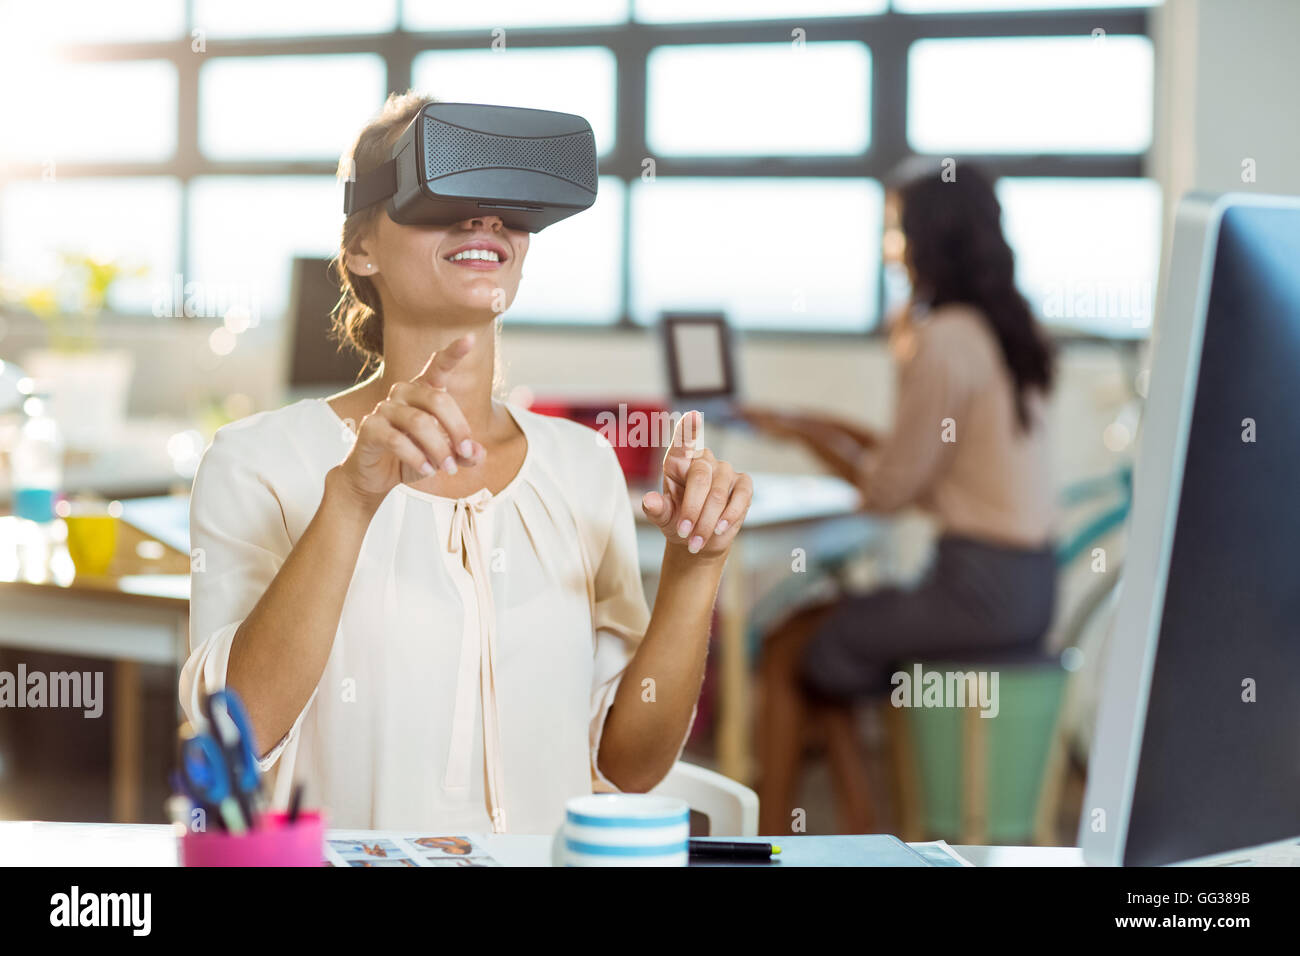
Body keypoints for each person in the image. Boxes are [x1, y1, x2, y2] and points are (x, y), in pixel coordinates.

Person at [179, 91, 753, 833]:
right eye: (445, 192)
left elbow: (629, 769)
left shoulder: (582, 466)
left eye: (508, 208)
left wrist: (694, 568)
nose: (485, 221)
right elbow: (237, 738)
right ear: (359, 248)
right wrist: (351, 501)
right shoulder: (257, 463)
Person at [743, 163, 1057, 835]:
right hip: (1027, 587)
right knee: (807, 642)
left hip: (978, 593)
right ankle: (855, 821)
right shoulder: (1003, 331)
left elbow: (888, 488)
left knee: (788, 646)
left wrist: (807, 432)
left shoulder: (944, 340)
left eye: (897, 230)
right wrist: (809, 425)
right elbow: (914, 458)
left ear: (927, 239)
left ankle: (771, 831)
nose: (892, 247)